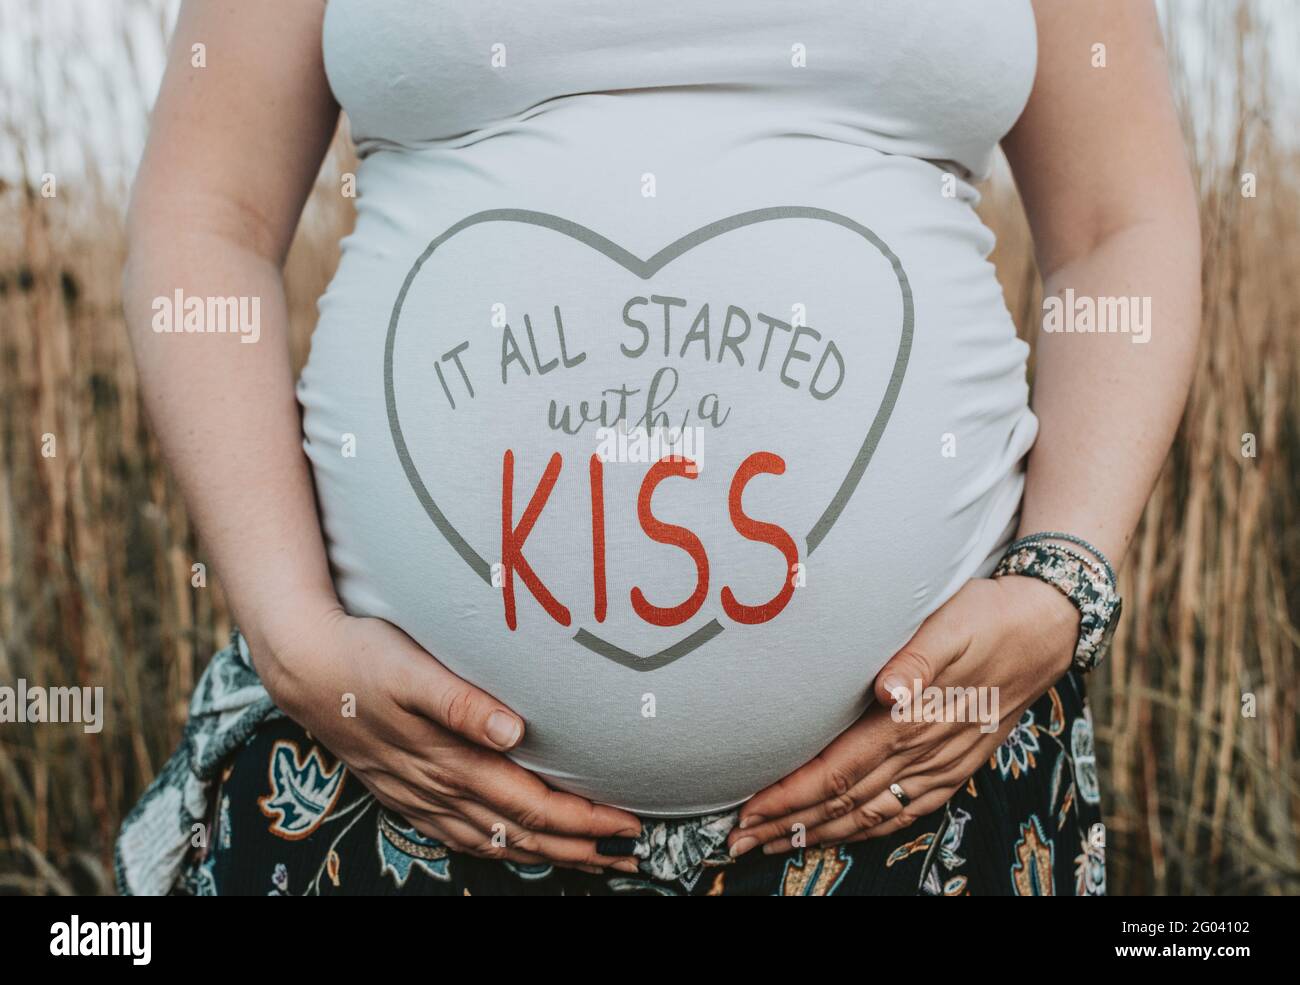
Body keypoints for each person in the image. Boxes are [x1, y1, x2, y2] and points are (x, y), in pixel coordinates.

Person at [116, 0, 1199, 896]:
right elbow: (210, 213)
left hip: (923, 790)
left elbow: (1118, 223)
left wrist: (1062, 579)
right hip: (394, 785)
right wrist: (291, 632)